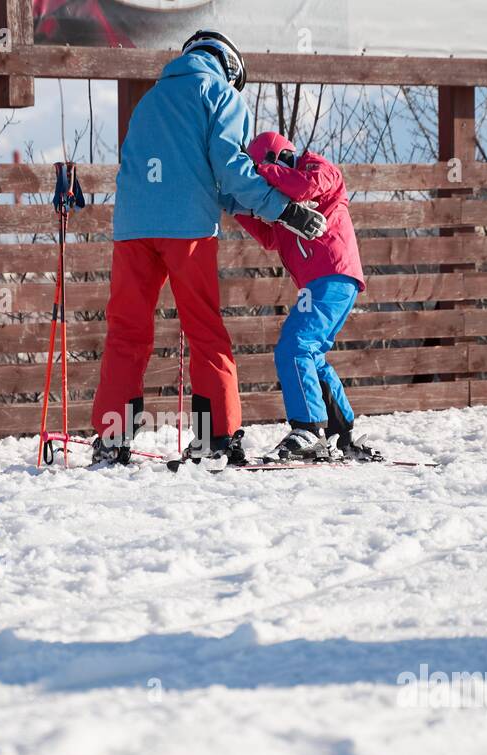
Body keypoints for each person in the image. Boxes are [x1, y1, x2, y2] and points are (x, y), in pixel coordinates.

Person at [91, 30, 329, 465]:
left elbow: (208, 182)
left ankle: (112, 438)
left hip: (131, 228)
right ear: (230, 67)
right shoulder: (218, 94)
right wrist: (286, 211)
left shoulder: (149, 100)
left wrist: (265, 208)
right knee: (203, 331)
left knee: (126, 332)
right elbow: (233, 171)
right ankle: (215, 437)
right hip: (186, 230)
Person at [230, 131, 367, 462]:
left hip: (333, 275)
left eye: (269, 168)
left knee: (294, 348)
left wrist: (258, 172)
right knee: (310, 353)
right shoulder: (285, 199)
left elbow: (306, 187)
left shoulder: (318, 168)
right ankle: (342, 431)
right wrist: (237, 206)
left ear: (279, 159)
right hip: (318, 284)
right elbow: (270, 237)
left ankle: (308, 428)